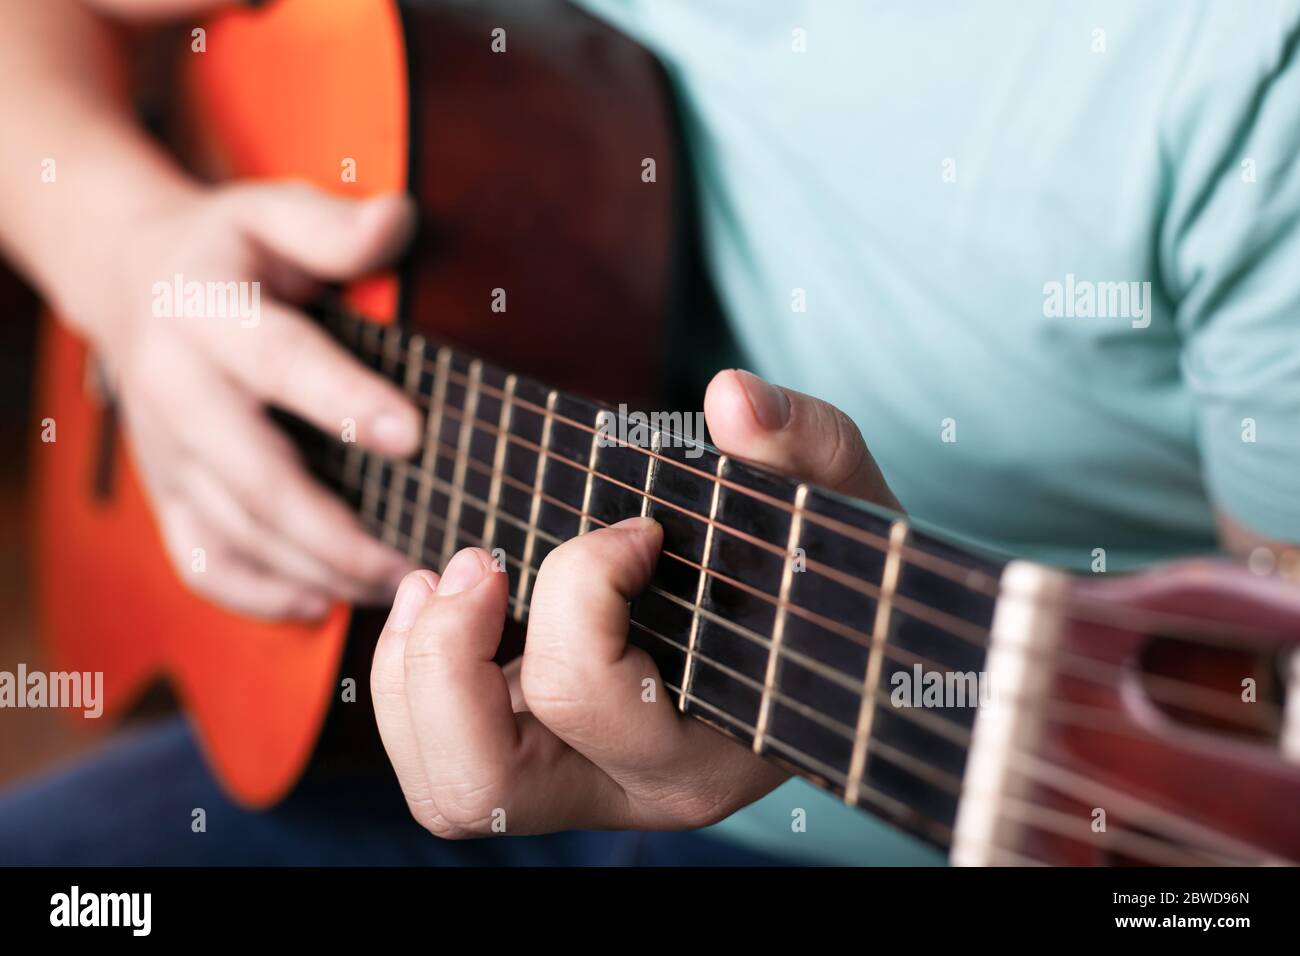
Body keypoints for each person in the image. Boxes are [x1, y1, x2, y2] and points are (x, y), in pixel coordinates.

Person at [0, 0, 1296, 866]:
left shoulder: (1243, 72)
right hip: (386, 732)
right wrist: (129, 262)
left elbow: (1241, 808)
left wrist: (900, 683)